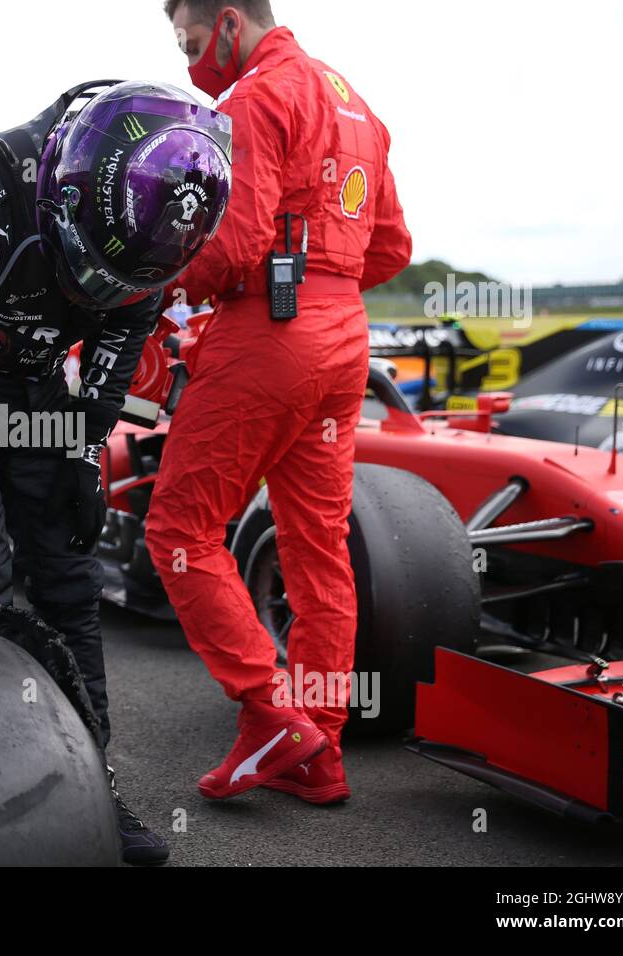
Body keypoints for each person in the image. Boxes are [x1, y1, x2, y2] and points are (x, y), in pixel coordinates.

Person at [0, 80, 232, 865]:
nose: (98, 291)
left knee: (69, 587)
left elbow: (120, 342)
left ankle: (94, 781)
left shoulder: (158, 230)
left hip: (38, 396)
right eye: (89, 270)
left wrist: (83, 450)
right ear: (61, 193)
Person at [147, 1, 413, 805]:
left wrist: (156, 286)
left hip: (268, 335)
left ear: (226, 19)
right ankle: (321, 751)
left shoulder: (253, 99)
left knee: (179, 527)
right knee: (317, 549)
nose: (183, 48)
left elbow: (230, 248)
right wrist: (327, 289)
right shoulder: (355, 101)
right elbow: (394, 246)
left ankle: (268, 712)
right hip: (344, 342)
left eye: (184, 30)